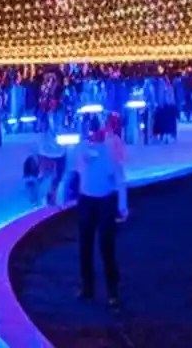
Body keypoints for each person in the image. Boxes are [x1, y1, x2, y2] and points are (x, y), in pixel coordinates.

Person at [66, 117, 128, 308]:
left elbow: (120, 178)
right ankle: (87, 287)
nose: (95, 135)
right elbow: (73, 172)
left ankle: (112, 289)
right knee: (85, 245)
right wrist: (62, 194)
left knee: (106, 246)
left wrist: (122, 205)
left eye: (98, 131)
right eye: (92, 131)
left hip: (105, 201)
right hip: (87, 201)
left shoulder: (108, 151)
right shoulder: (81, 150)